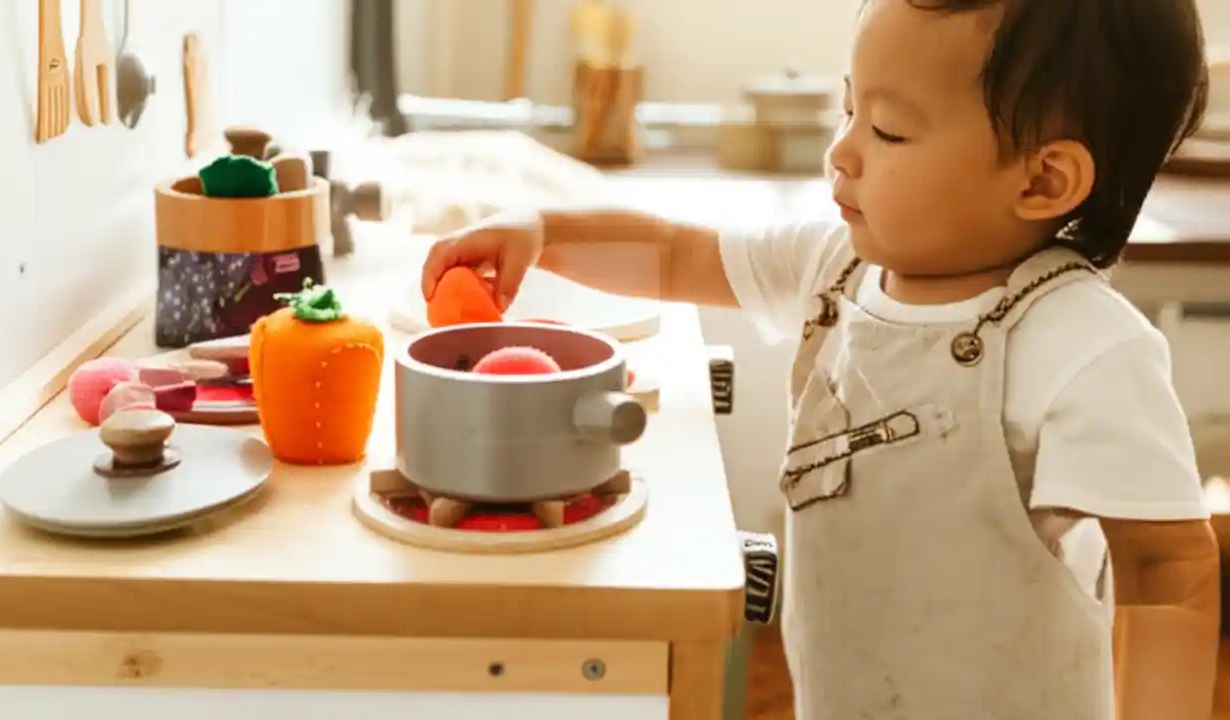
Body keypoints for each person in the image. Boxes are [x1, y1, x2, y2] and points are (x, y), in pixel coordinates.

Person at [420, 0, 1221, 717]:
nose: (842, 152)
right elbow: (676, 254)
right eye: (847, 111)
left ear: (1044, 179)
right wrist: (544, 232)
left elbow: (1168, 570)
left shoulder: (1083, 346)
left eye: (888, 130)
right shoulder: (832, 265)